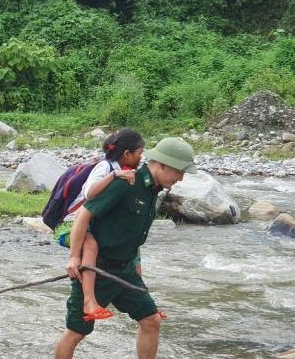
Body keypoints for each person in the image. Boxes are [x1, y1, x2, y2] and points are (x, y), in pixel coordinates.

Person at [55, 137, 196, 359]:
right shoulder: (125, 183)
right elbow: (83, 215)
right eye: (180, 171)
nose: (181, 178)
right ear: (163, 164)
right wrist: (74, 257)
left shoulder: (153, 191)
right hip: (96, 271)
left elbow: (133, 233)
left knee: (151, 320)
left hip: (126, 271)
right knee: (76, 333)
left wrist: (137, 263)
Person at [54, 128, 145, 322]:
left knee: (134, 251)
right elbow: (89, 193)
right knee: (91, 245)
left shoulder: (126, 171)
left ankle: (144, 300)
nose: (142, 157)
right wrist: (114, 176)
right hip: (70, 224)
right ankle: (89, 301)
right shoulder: (105, 167)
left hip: (93, 223)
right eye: (140, 153)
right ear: (127, 154)